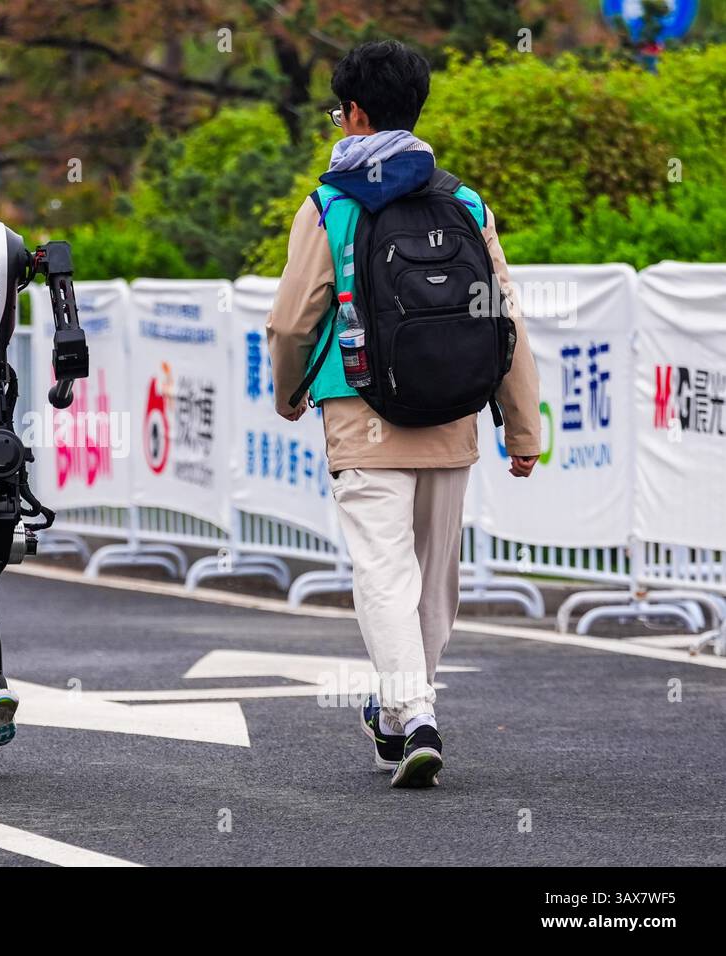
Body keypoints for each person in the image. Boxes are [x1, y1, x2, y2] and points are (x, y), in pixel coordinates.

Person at [265, 40, 540, 788]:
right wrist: (523, 428)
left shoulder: (330, 205)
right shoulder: (466, 202)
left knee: (383, 573)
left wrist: (289, 395)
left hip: (361, 412)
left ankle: (413, 713)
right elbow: (504, 317)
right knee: (434, 586)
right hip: (452, 416)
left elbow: (294, 323)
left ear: (353, 113)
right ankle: (398, 714)